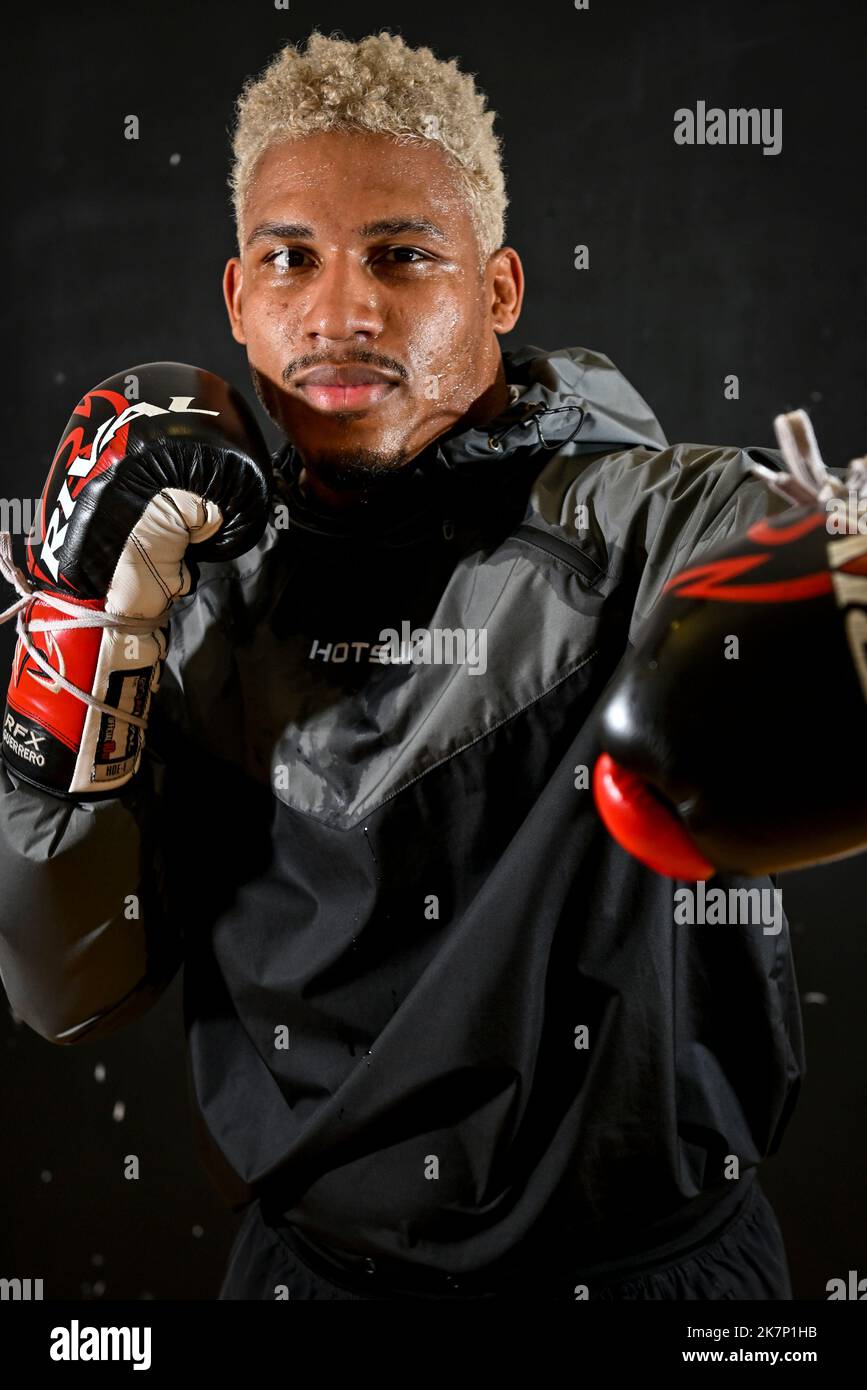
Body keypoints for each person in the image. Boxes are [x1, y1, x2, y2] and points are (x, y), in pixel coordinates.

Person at [0, 30, 808, 1301]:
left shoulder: (647, 520)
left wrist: (831, 576)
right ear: (237, 300)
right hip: (311, 1276)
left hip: (659, 1278)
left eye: (401, 256)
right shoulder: (185, 584)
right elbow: (67, 991)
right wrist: (77, 637)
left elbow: (789, 555)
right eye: (291, 261)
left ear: (497, 290)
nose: (342, 313)